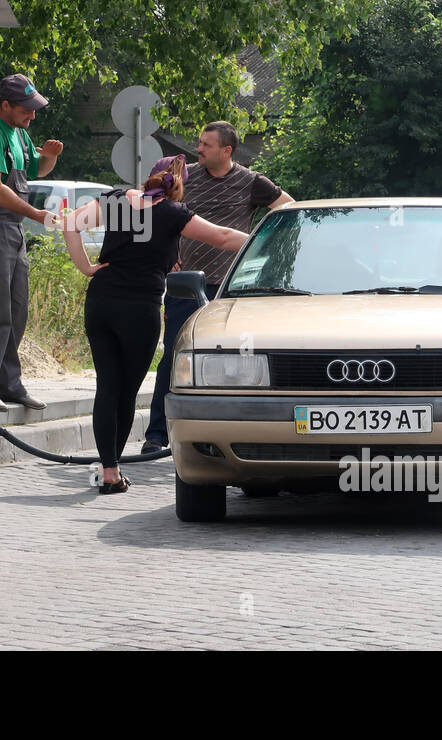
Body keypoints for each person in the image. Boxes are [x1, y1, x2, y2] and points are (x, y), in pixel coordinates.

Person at [58, 154, 249, 493]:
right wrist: (260, 240)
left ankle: (109, 470)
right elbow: (220, 237)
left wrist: (86, 267)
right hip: (139, 309)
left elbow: (71, 223)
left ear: (149, 177)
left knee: (107, 385)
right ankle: (111, 472)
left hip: (100, 301)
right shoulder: (174, 213)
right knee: (126, 391)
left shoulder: (115, 200)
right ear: (178, 187)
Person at [144, 122, 294, 452]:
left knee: (238, 362)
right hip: (185, 285)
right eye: (199, 142)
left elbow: (289, 214)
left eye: (207, 145)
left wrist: (265, 253)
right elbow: (149, 211)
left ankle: (235, 436)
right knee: (173, 357)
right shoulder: (181, 176)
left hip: (233, 291)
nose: (198, 149)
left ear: (226, 151)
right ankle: (156, 436)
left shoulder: (252, 182)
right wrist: (166, 253)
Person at [0, 74, 64, 414]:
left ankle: (9, 385)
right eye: (26, 109)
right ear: (5, 104)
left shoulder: (19, 134)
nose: (32, 116)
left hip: (12, 232)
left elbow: (36, 170)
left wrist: (50, 156)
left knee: (16, 310)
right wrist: (37, 214)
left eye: (34, 110)